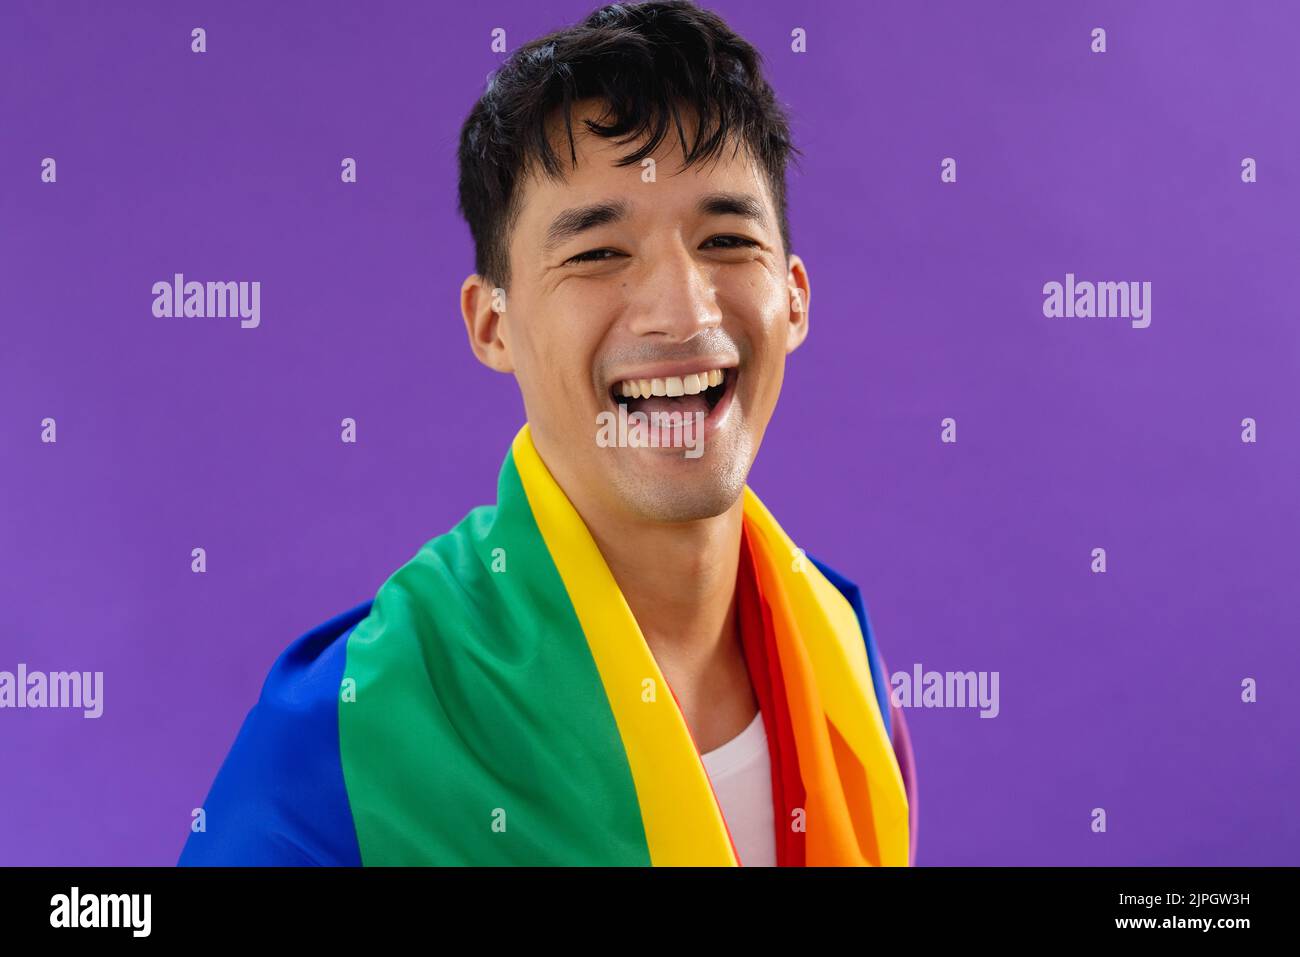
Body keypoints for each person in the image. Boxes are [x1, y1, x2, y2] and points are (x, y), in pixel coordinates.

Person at [179, 0, 916, 867]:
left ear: (793, 296)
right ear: (491, 323)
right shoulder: (350, 726)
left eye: (726, 239)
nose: (682, 310)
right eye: (598, 253)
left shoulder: (842, 653)